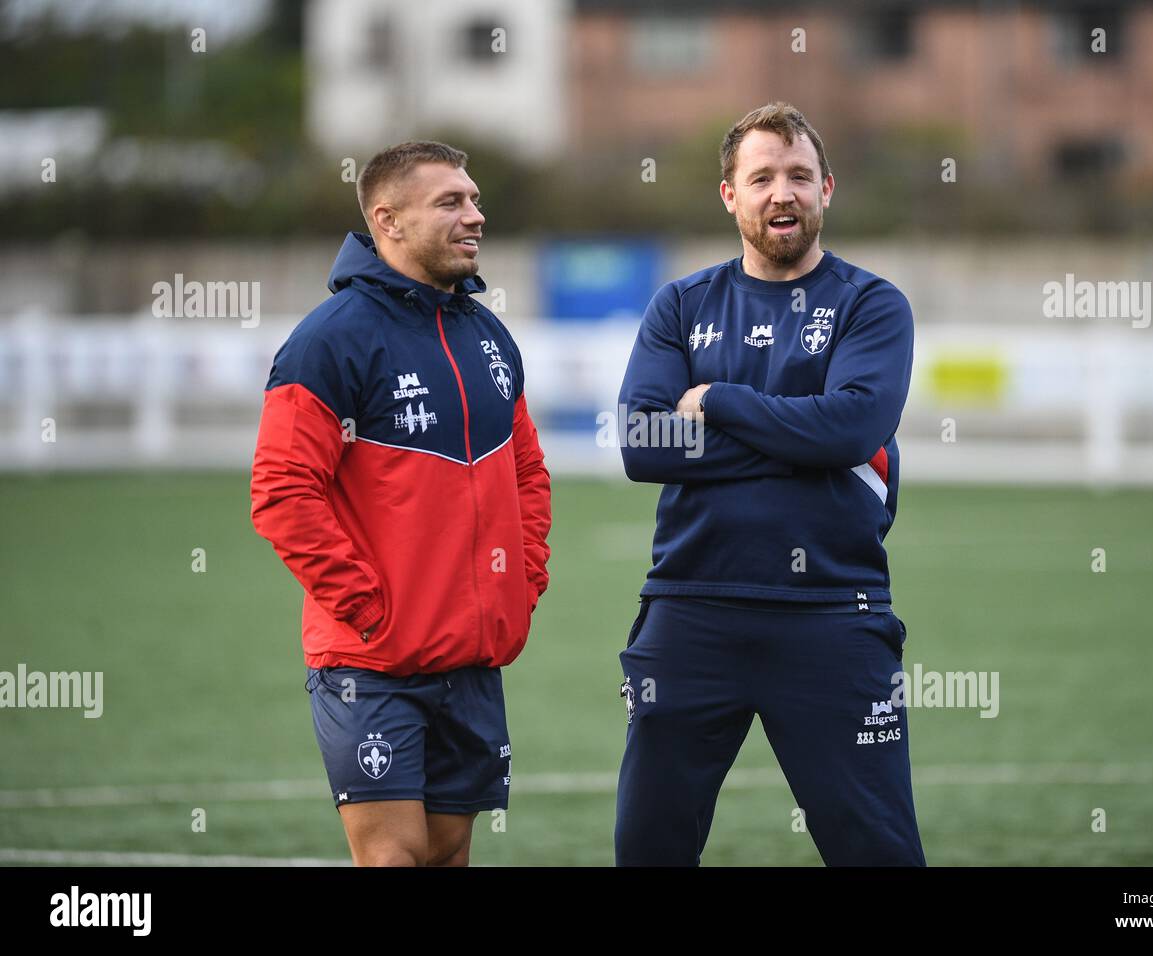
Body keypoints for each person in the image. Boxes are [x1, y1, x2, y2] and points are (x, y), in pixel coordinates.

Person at [614, 103, 924, 866]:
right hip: (688, 611)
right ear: (730, 195)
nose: (781, 193)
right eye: (761, 178)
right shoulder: (681, 305)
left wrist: (719, 401)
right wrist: (802, 437)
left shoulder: (871, 305)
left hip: (832, 617)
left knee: (876, 848)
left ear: (828, 189)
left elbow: (852, 430)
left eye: (798, 176)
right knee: (648, 847)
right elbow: (641, 442)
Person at [250, 141, 551, 867]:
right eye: (451, 202)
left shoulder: (487, 335)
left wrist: (524, 579)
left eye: (474, 199)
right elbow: (282, 489)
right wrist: (367, 606)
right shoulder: (331, 340)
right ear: (387, 220)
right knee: (393, 860)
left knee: (447, 858)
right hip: (371, 664)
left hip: (472, 662)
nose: (475, 215)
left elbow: (527, 472)